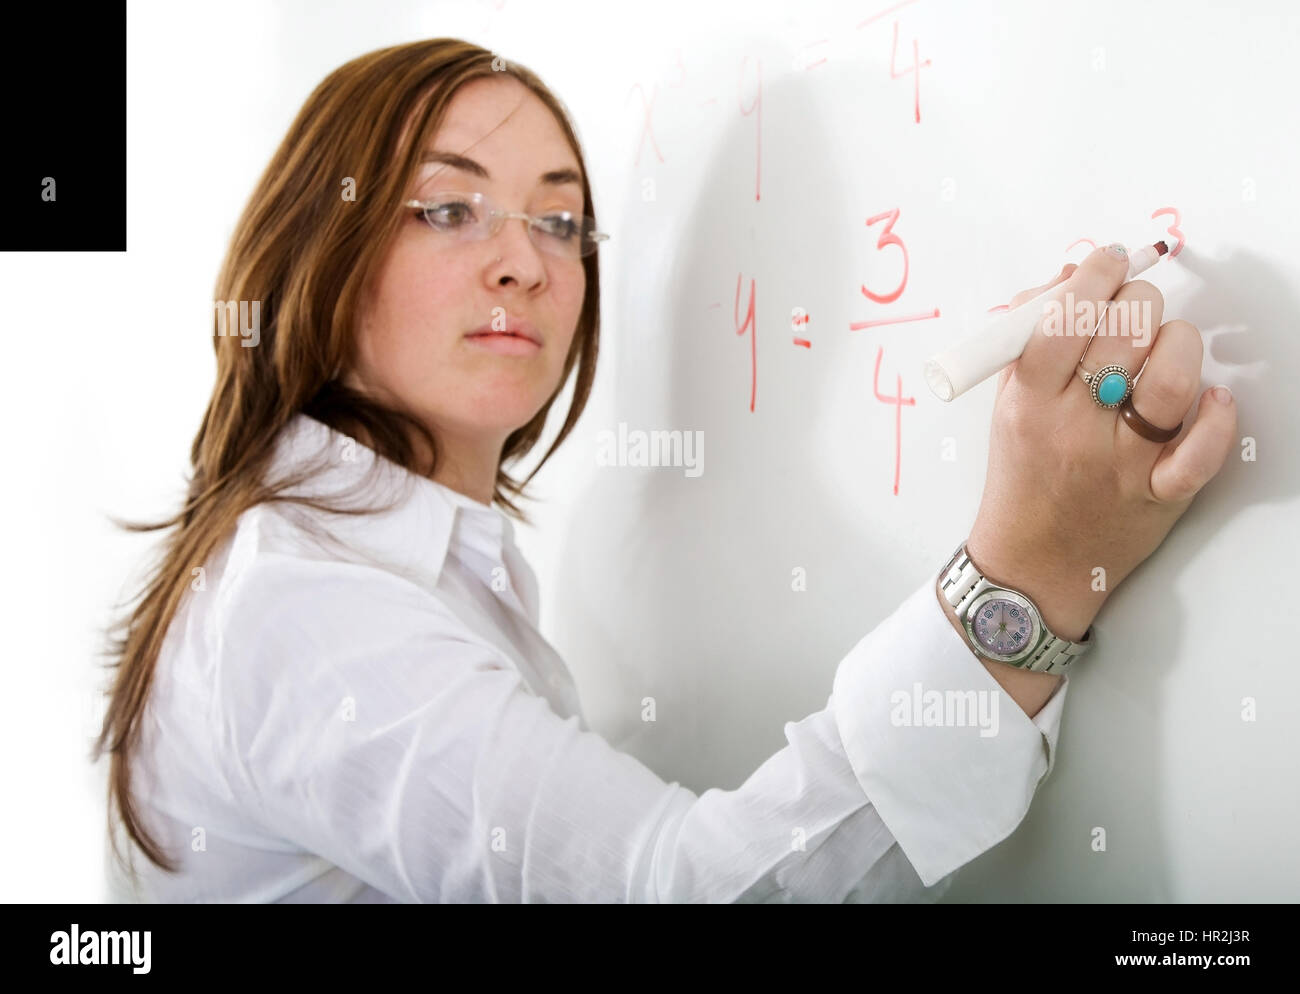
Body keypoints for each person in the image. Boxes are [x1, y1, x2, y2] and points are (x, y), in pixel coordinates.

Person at [95, 39, 1237, 903]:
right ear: (315, 251)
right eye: (448, 207)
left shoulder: (391, 562)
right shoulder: (307, 608)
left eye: (559, 223)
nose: (523, 263)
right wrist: (1027, 576)